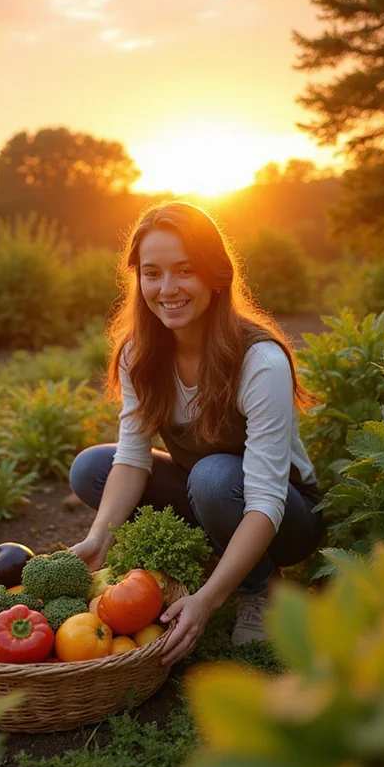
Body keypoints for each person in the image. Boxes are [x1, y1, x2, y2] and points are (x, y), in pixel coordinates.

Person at [68, 201, 324, 667]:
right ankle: (222, 556)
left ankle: (261, 586)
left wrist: (207, 600)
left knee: (211, 477)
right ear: (138, 279)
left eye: (184, 270)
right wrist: (99, 540)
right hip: (212, 491)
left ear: (215, 275)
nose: (167, 289)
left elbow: (266, 498)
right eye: (152, 273)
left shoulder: (258, 361)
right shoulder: (140, 356)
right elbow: (132, 457)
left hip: (287, 512)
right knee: (93, 469)